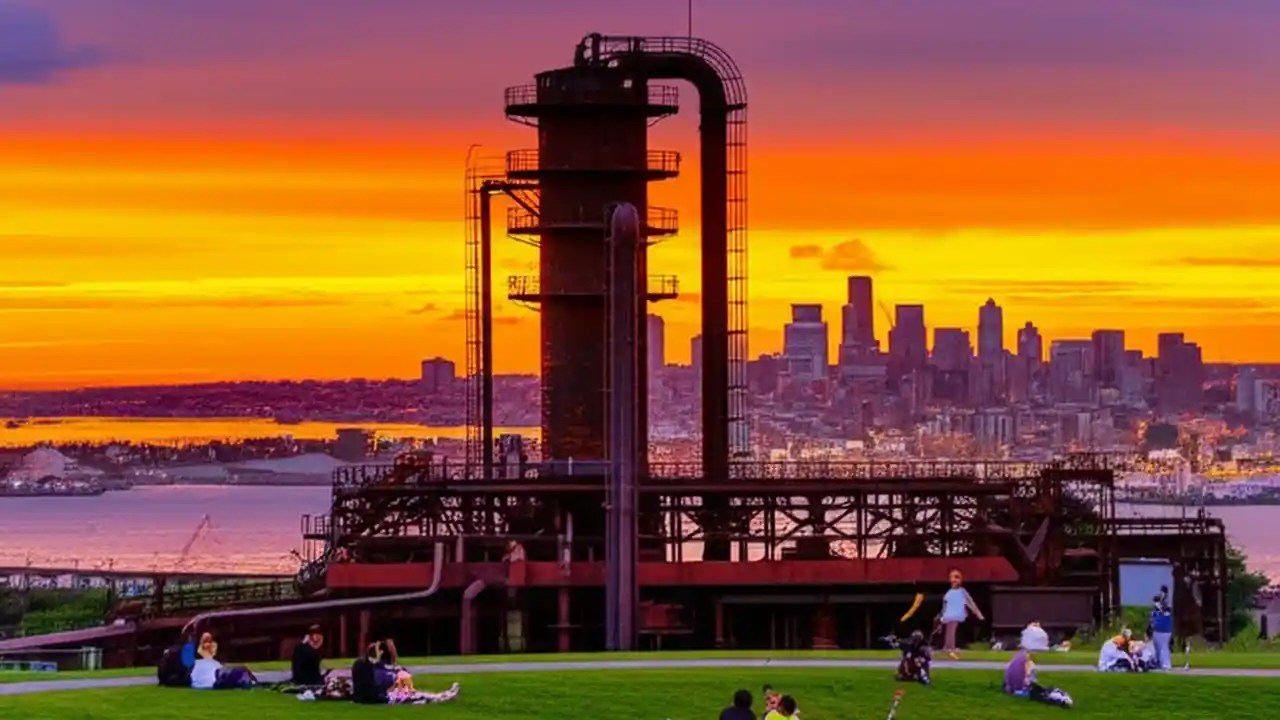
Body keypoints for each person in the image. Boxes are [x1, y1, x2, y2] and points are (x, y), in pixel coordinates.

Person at [1003, 623, 1074, 708]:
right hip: (1022, 688)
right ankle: (1058, 699)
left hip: (1013, 688)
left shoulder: (1019, 656)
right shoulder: (1026, 660)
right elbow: (1027, 678)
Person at [941, 568, 984, 659]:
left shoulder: (962, 591)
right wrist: (942, 614)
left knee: (951, 629)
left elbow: (970, 603)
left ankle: (949, 648)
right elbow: (945, 604)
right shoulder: (949, 592)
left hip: (956, 613)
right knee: (950, 629)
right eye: (953, 577)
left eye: (957, 577)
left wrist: (978, 613)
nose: (954, 580)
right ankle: (950, 648)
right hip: (950, 613)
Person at [190, 632, 258, 690]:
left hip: (206, 684)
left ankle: (251, 682)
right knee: (241, 669)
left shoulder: (197, 663)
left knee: (239, 671)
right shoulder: (211, 663)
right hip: (214, 682)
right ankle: (252, 683)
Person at [1150, 594, 1174, 671]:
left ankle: (1166, 665)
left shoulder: (1166, 609)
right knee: (1157, 648)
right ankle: (1158, 663)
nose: (1155, 603)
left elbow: (1166, 612)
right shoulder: (1154, 610)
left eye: (1156, 601)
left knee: (1163, 647)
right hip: (1156, 631)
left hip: (1165, 631)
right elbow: (1152, 620)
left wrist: (1160, 607)